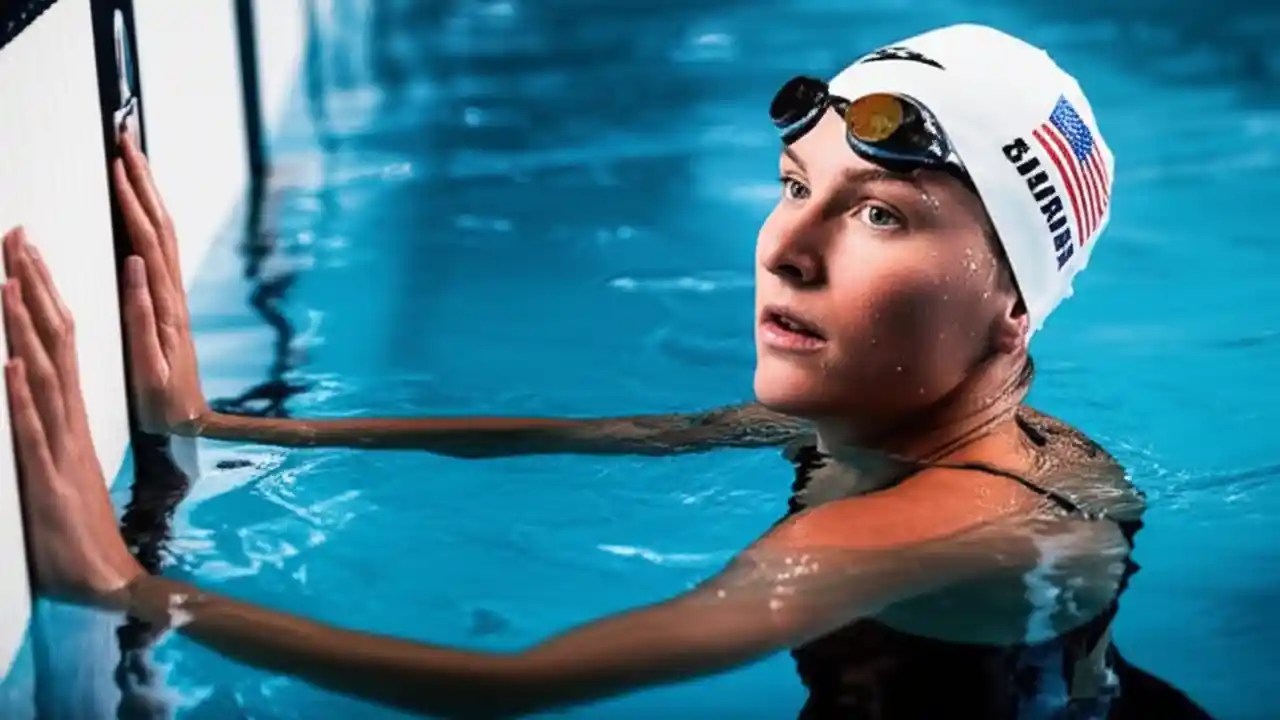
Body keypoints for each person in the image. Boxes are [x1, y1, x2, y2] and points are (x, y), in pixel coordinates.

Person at [5, 24, 1214, 719]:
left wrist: (126, 587)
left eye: (882, 216)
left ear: (1014, 304)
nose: (785, 250)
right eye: (795, 189)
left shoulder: (941, 518)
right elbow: (581, 436)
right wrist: (219, 424)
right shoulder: (875, 414)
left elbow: (506, 686)